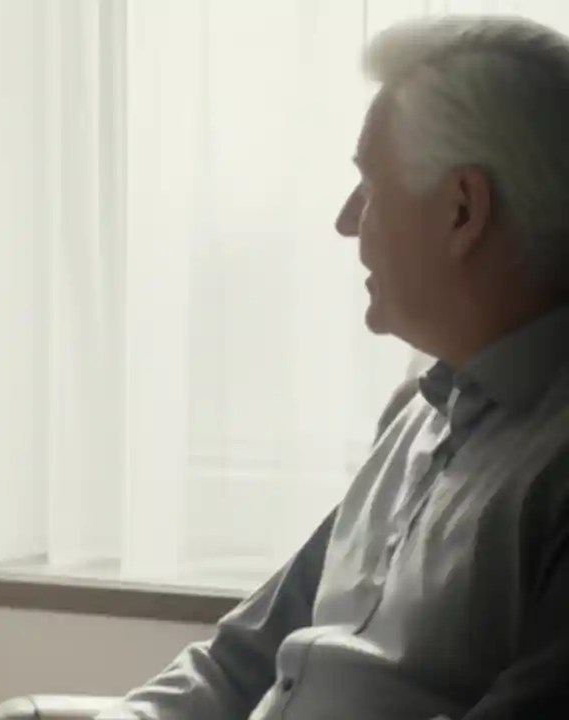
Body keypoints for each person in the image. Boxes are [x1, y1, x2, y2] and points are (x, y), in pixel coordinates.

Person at [110, 15, 569, 720]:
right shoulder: (417, 415)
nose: (347, 221)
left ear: (461, 210)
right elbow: (242, 658)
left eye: (369, 184)